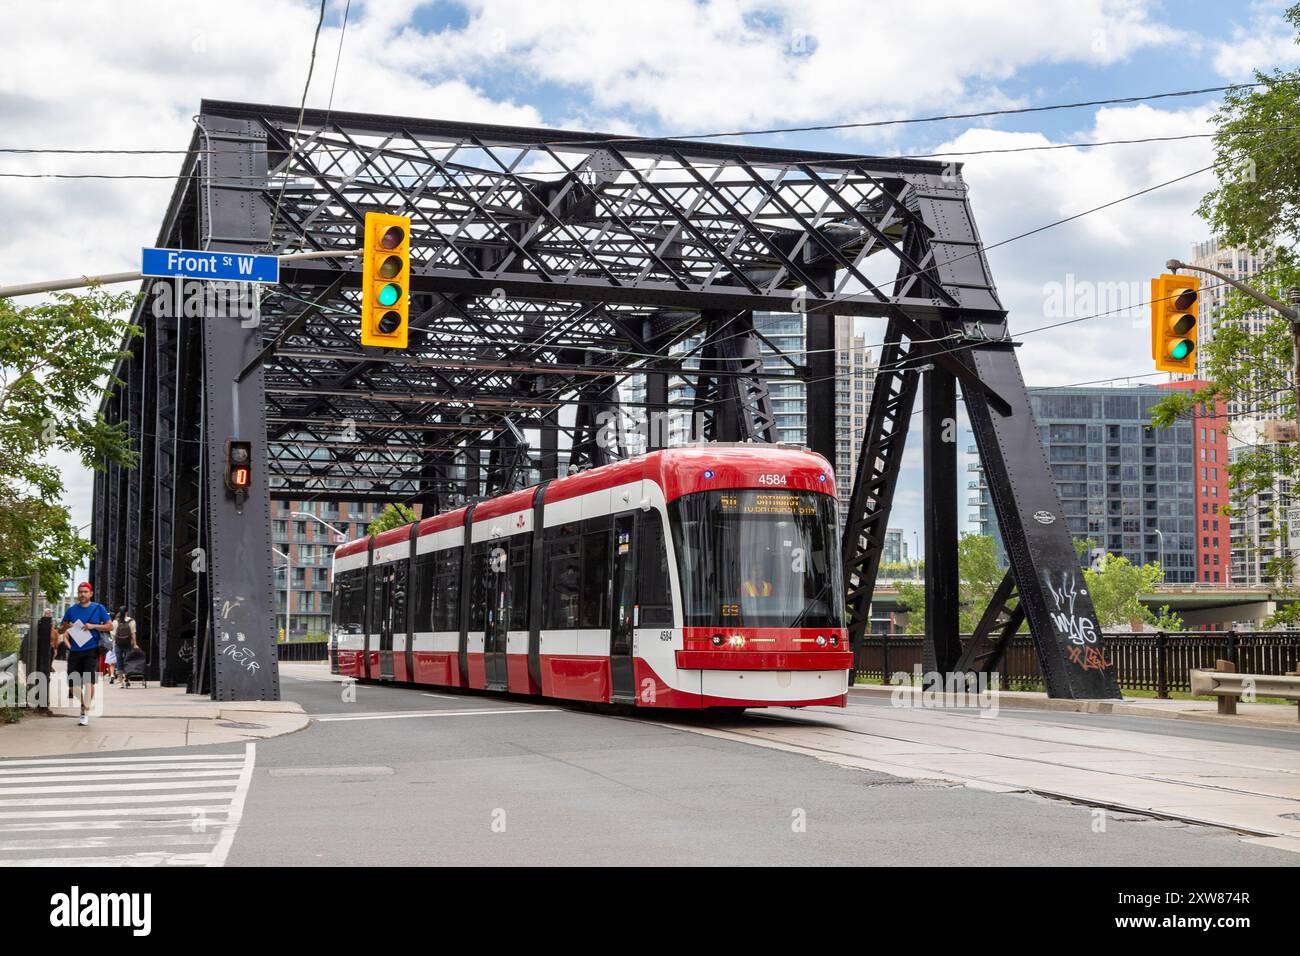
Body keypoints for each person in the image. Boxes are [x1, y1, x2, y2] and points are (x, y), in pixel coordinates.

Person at [57, 583, 113, 726]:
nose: (82, 594)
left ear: (91, 593)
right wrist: (66, 626)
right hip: (75, 650)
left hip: (92, 649)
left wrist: (93, 626)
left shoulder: (98, 608)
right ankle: (84, 704)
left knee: (89, 681)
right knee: (72, 684)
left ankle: (84, 713)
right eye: (80, 592)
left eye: (85, 592)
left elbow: (110, 626)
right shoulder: (71, 610)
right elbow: (60, 631)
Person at [108, 607, 138, 685]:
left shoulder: (115, 622)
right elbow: (133, 633)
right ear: (126, 612)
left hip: (118, 644)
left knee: (119, 660)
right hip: (128, 643)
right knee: (127, 660)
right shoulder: (131, 621)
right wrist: (135, 644)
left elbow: (113, 635)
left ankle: (120, 678)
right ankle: (127, 678)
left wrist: (115, 642)